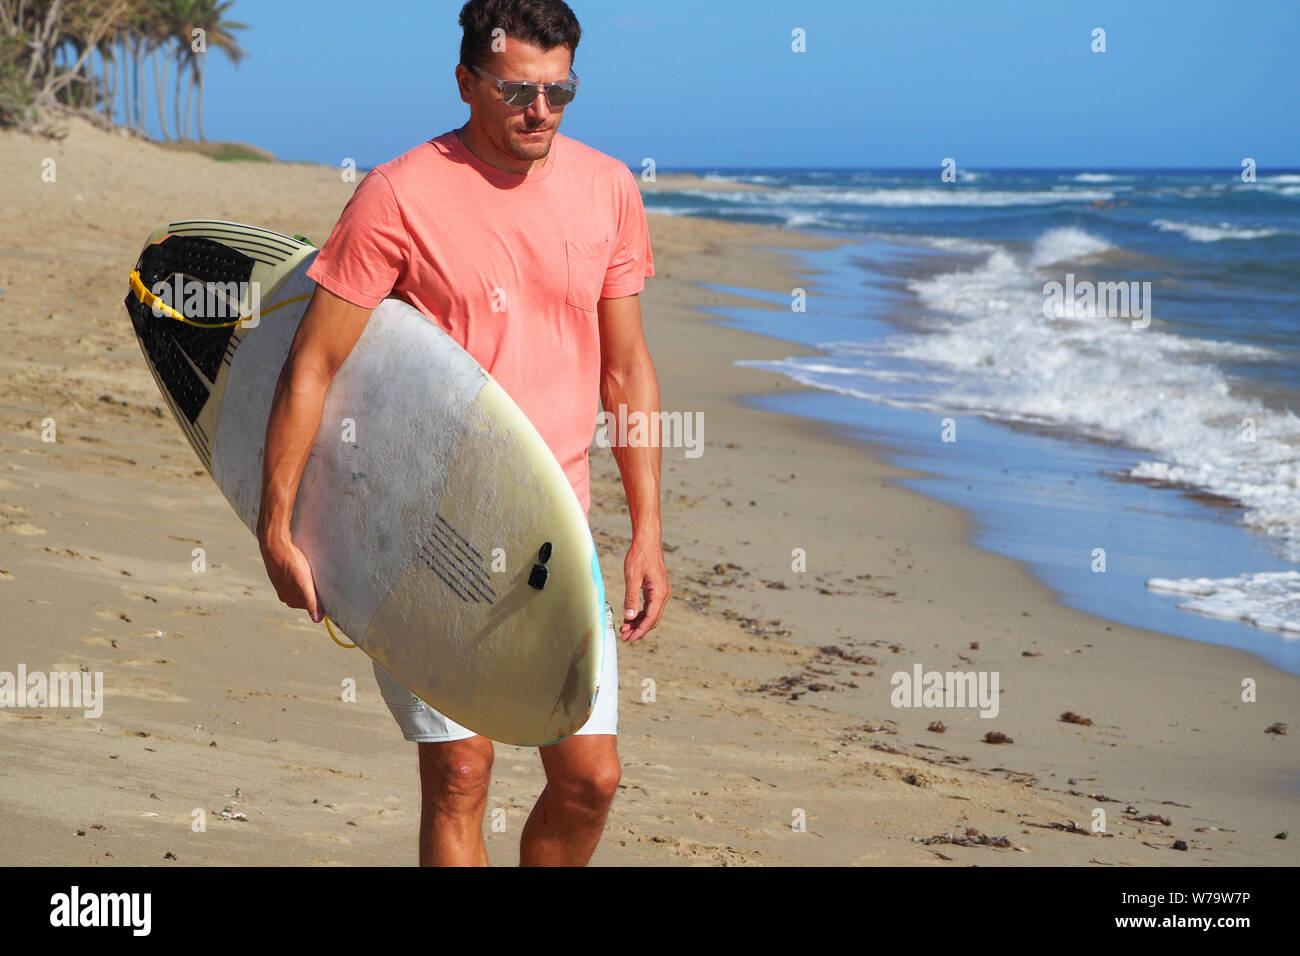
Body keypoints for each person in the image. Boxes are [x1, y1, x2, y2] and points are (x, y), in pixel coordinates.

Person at [255, 0, 669, 865]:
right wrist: (277, 522)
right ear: (465, 82)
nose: (539, 113)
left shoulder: (608, 189)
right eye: (517, 91)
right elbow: (311, 365)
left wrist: (648, 532)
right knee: (460, 774)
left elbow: (626, 370)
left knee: (590, 777)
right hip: (423, 530)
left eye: (560, 94)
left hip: (554, 529)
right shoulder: (398, 196)